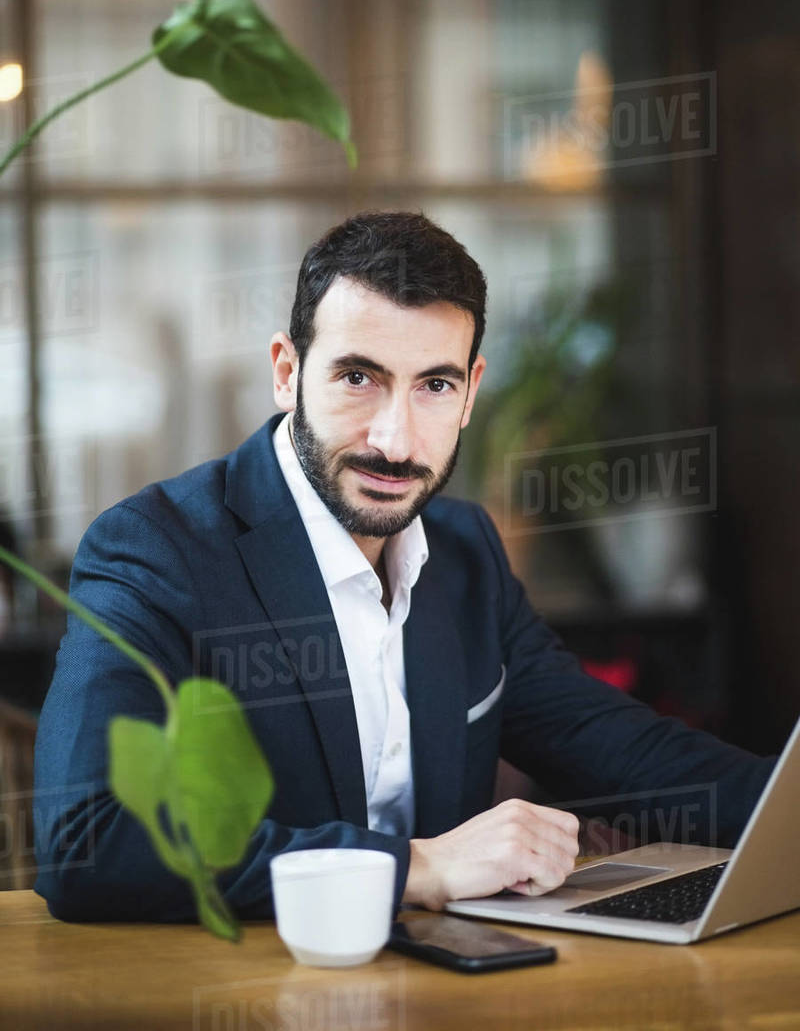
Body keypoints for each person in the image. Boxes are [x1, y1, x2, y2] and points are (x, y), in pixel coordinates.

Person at [33, 211, 776, 923]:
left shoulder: (465, 554)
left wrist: (786, 811)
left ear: (471, 392)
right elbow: (87, 844)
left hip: (451, 989)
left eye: (434, 385)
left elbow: (617, 747)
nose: (394, 440)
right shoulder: (155, 549)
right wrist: (416, 867)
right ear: (286, 372)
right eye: (358, 378)